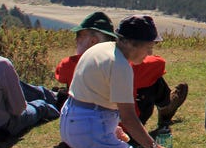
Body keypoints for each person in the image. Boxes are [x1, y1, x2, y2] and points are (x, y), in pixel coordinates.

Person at [59, 15, 179, 148]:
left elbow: (93, 96)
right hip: (90, 129)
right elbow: (129, 118)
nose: (150, 53)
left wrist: (111, 127)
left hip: (72, 120)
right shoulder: (120, 65)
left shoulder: (100, 49)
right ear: (131, 43)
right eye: (148, 47)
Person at [54, 11, 188, 129]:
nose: (76, 39)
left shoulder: (69, 64)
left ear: (93, 41)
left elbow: (60, 74)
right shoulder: (125, 64)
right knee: (153, 80)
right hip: (121, 125)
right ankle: (165, 107)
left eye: (79, 36)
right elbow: (158, 64)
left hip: (78, 126)